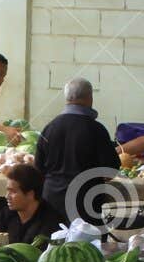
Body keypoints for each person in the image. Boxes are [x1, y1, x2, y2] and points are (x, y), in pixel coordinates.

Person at [35, 77, 119, 221]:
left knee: (54, 241)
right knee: (85, 243)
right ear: (89, 98)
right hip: (85, 204)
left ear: (67, 98)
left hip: (52, 203)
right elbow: (111, 169)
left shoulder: (49, 128)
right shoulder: (96, 130)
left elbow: (38, 169)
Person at [0, 163, 64, 247]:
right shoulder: (5, 215)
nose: (7, 196)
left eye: (13, 192)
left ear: (30, 194)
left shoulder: (51, 222)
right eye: (7, 191)